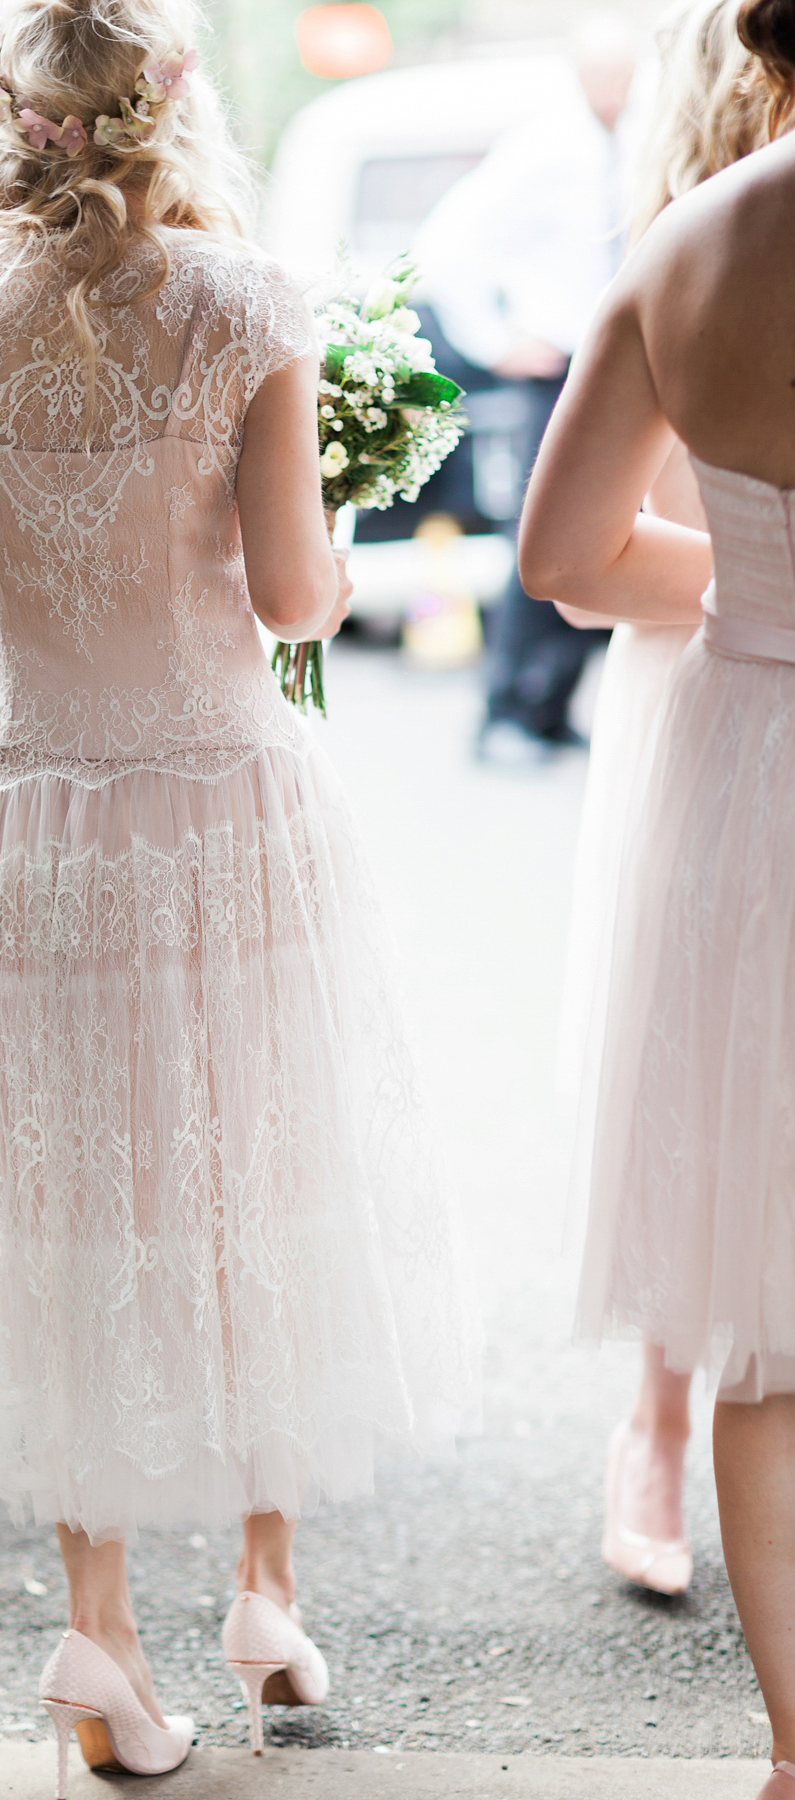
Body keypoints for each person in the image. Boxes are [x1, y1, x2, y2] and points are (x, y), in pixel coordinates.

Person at [0, 0, 483, 1789]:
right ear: (170, 101)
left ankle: (102, 1627)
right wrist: (332, 532)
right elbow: (291, 598)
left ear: (16, 112)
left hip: (25, 816)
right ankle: (268, 1591)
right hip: (219, 810)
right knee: (255, 1172)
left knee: (65, 1205)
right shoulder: (243, 301)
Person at [518, 2, 795, 1789]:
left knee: (773, 1331)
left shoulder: (684, 245)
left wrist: (765, 579)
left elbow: (564, 557)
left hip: (749, 773)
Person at [555, 0, 769, 1599]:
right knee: (717, 1077)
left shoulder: (694, 250)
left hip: (748, 699)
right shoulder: (686, 249)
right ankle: (653, 1428)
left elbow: (566, 555)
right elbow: (583, 573)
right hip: (715, 687)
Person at [412, 12, 637, 766]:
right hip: (562, 370)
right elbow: (447, 247)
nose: (618, 86)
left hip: (624, 367)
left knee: (612, 539)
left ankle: (550, 707)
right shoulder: (543, 149)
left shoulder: (640, 141)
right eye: (606, 71)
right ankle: (507, 711)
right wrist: (497, 342)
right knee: (548, 537)